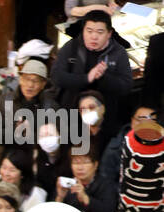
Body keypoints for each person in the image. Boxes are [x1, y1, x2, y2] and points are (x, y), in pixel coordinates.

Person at [51, 11, 133, 140]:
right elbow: (57, 76)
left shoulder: (118, 52)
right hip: (72, 116)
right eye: (89, 31)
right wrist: (87, 78)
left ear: (109, 34)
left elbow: (126, 86)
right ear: (83, 30)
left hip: (105, 119)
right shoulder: (71, 47)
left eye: (100, 32)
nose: (93, 37)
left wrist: (104, 77)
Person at [53, 145, 118, 212]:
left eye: (85, 162)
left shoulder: (106, 185)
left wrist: (85, 198)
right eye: (76, 162)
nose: (80, 167)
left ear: (95, 165)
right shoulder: (66, 185)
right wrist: (60, 197)